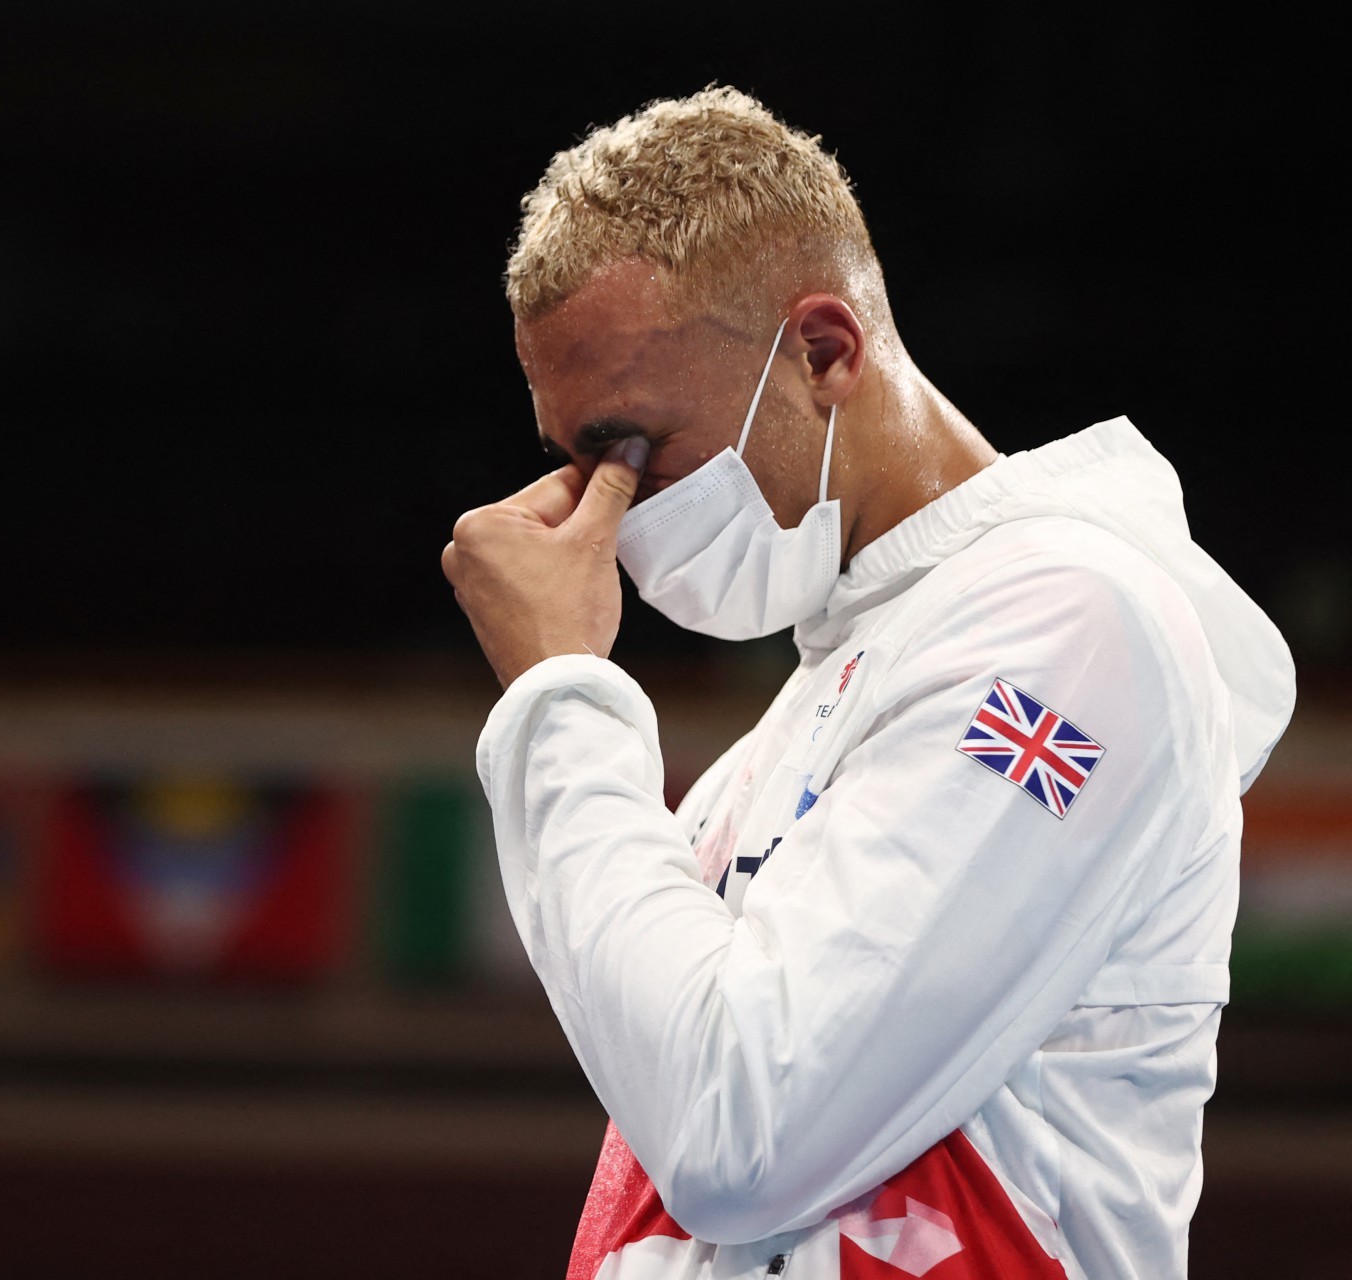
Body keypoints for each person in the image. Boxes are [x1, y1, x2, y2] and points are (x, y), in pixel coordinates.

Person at [440, 85, 1295, 1280]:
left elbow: (739, 1136)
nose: (601, 510)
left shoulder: (1071, 622)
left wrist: (559, 693)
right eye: (573, 456)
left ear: (825, 352)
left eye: (629, 448)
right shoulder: (799, 724)